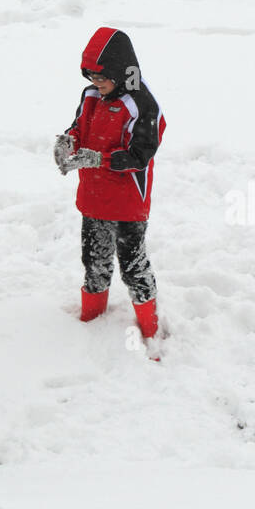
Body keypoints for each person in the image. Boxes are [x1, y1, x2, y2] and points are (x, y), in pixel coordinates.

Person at [54, 26, 165, 358]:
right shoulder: (90, 96)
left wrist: (97, 158)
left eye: (101, 77)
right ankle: (90, 319)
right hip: (93, 200)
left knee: (132, 266)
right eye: (89, 76)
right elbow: (79, 126)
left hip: (128, 204)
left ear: (120, 72)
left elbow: (139, 154)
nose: (95, 83)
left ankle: (151, 327)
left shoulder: (142, 105)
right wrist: (69, 140)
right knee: (94, 262)